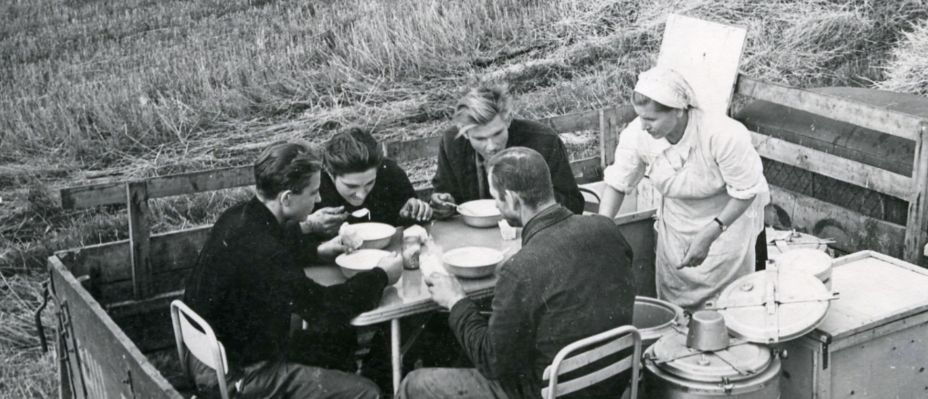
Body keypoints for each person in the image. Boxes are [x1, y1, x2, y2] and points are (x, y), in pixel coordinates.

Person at [400, 148, 635, 399]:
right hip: (610, 382)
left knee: (414, 383)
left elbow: (491, 361)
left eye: (496, 198)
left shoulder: (520, 268)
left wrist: (456, 301)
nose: (496, 206)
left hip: (548, 392)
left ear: (512, 199)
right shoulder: (607, 228)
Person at [183, 140, 404, 399]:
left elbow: (274, 243)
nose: (319, 198)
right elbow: (326, 309)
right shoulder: (266, 252)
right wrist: (381, 275)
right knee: (368, 391)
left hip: (202, 353)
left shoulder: (237, 216)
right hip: (235, 375)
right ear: (287, 198)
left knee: (334, 346)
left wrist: (318, 251)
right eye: (313, 193)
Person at [598, 66, 770, 310]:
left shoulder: (722, 134)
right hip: (677, 225)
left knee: (729, 308)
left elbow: (746, 191)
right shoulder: (638, 134)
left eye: (651, 119)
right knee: (677, 310)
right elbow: (618, 183)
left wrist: (712, 232)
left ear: (678, 110)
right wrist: (599, 230)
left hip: (727, 224)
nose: (643, 126)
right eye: (640, 116)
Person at [430, 82, 584, 217]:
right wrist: (443, 205)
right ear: (463, 131)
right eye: (480, 139)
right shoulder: (451, 142)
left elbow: (574, 205)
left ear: (508, 119)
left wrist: (527, 193)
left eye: (497, 133)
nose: (491, 147)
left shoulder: (545, 140)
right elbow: (444, 197)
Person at [297, 127, 433, 239]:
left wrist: (411, 214)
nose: (361, 195)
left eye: (370, 183)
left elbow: (414, 226)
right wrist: (310, 226)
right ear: (330, 173)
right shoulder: (315, 187)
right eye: (351, 186)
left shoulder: (389, 172)